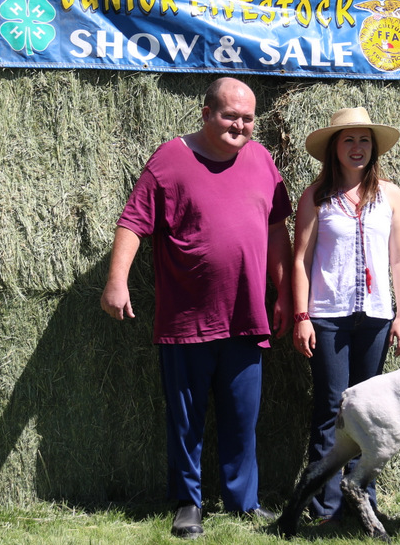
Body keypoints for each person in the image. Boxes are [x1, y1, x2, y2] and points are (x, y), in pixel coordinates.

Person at [100, 77, 293, 539]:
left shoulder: (263, 160)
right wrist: (116, 280)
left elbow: (275, 231)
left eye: (247, 118)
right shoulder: (170, 159)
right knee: (186, 420)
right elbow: (133, 221)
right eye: (230, 115)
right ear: (206, 113)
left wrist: (285, 293)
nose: (240, 125)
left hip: (247, 316)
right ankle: (188, 503)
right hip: (187, 317)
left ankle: (242, 501)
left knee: (242, 417)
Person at [290, 107, 400, 522]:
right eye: (349, 140)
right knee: (330, 408)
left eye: (364, 140)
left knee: (369, 411)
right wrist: (302, 316)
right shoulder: (315, 196)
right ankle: (324, 506)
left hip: (376, 317)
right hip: (328, 315)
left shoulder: (391, 195)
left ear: (373, 148)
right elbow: (301, 260)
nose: (357, 148)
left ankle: (362, 502)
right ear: (334, 148)